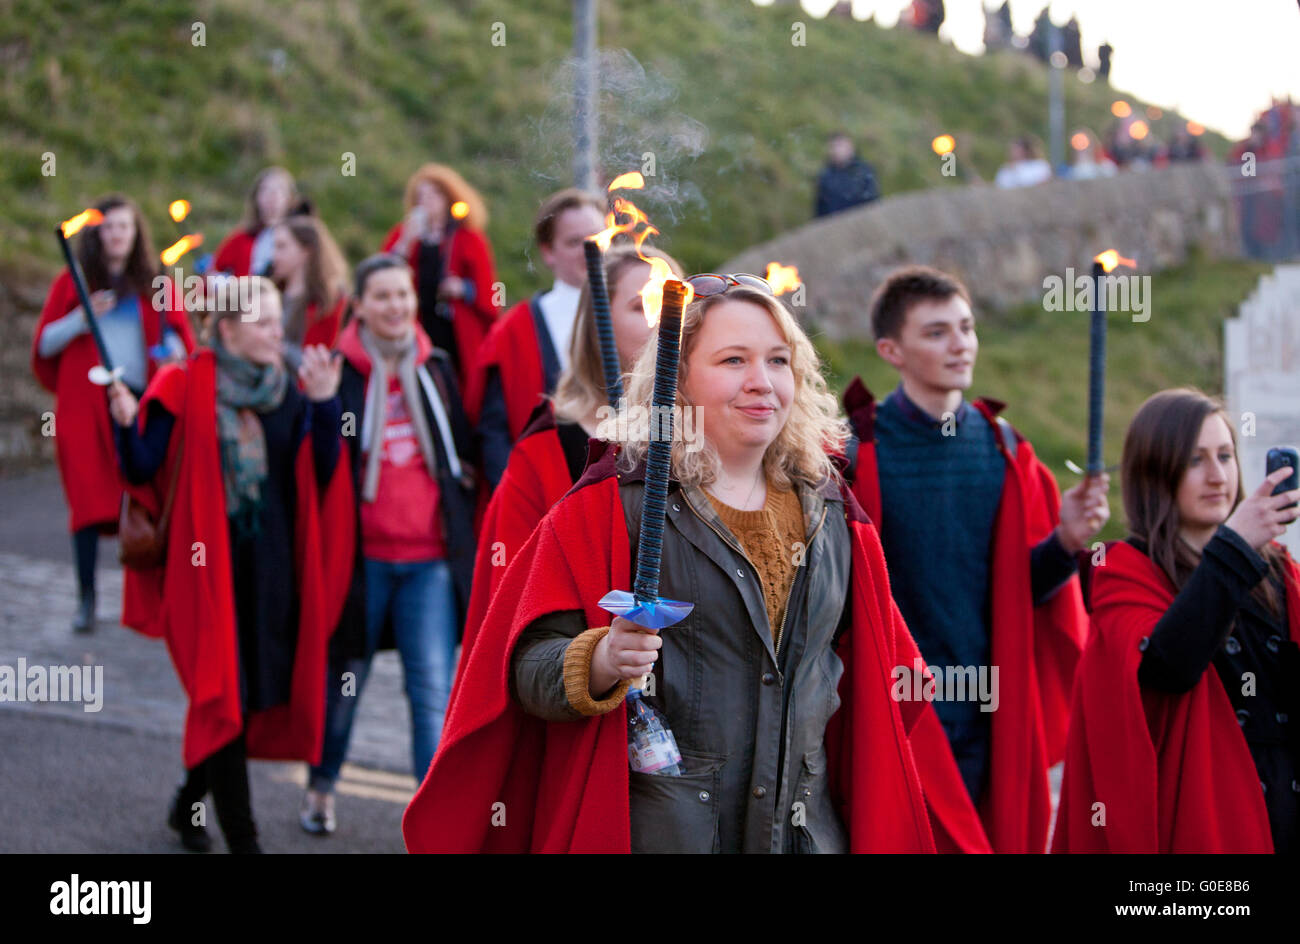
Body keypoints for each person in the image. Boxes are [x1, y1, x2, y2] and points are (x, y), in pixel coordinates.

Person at [404, 275, 954, 854]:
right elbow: (522, 670)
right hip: (665, 836)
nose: (761, 382)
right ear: (678, 379)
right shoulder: (609, 507)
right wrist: (601, 659)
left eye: (778, 360)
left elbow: (888, 683)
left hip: (804, 837)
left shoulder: (836, 513)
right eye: (732, 360)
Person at [843, 265, 1108, 852]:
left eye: (965, 328)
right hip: (895, 705)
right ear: (892, 349)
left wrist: (1066, 541)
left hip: (991, 706)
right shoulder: (852, 452)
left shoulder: (1005, 448)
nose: (960, 344)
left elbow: (1026, 594)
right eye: (937, 332)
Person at [111, 275, 353, 853]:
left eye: (278, 321)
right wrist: (124, 421)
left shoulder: (287, 389)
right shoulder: (183, 382)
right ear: (227, 329)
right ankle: (246, 842)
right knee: (223, 694)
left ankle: (185, 802)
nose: (278, 332)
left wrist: (325, 406)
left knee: (239, 701)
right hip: (205, 570)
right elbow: (142, 465)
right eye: (265, 322)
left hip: (270, 572)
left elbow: (319, 476)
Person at [1054, 389, 1300, 853]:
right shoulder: (1125, 570)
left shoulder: (1280, 572)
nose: (1217, 476)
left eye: (1225, 456)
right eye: (1194, 460)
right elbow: (1169, 667)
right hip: (1203, 823)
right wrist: (1234, 549)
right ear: (1156, 471)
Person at [301, 254, 477, 835]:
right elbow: (321, 470)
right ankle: (322, 790)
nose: (397, 306)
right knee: (344, 686)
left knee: (430, 692)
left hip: (427, 561)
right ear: (360, 306)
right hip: (361, 562)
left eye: (403, 294)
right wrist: (324, 406)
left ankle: (433, 821)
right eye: (382, 296)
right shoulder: (339, 372)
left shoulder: (438, 367)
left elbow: (463, 454)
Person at [459, 244, 682, 662]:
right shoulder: (547, 447)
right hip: (588, 680)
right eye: (643, 306)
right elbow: (514, 607)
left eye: (672, 305)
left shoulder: (706, 435)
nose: (663, 323)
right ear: (599, 326)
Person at [31, 193, 194, 633]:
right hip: (88, 409)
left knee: (145, 502)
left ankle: (152, 600)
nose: (116, 234)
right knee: (87, 503)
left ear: (136, 232)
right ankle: (87, 600)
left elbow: (180, 343)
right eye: (108, 227)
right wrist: (82, 319)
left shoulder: (156, 283)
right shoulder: (74, 283)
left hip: (140, 405)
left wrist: (175, 351)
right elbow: (45, 344)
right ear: (95, 233)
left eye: (124, 226)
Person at [464, 188, 605, 490]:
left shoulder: (645, 313)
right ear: (548, 252)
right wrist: (520, 497)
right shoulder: (515, 331)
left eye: (597, 237)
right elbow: (494, 432)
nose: (590, 249)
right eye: (574, 242)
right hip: (548, 493)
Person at [381, 164, 499, 390]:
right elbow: (382, 273)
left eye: (434, 194)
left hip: (454, 328)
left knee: (459, 385)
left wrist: (463, 288)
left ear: (448, 198)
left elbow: (489, 292)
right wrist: (405, 242)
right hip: (415, 322)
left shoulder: (468, 237)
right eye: (421, 195)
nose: (427, 200)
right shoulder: (404, 234)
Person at [270, 214, 350, 368]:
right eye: (274, 247)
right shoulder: (272, 292)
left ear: (306, 251)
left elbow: (317, 361)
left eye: (281, 247)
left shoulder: (328, 301)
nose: (274, 255)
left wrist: (277, 348)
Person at [214, 166, 301, 277]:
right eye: (265, 190)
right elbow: (212, 276)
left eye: (280, 190)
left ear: (290, 198)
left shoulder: (301, 240)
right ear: (256, 197)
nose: (272, 197)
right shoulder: (240, 239)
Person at [814, 132, 880, 218]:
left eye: (840, 145)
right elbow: (820, 210)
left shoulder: (864, 170)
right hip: (835, 225)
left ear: (850, 147)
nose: (837, 150)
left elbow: (873, 200)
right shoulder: (825, 176)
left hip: (862, 221)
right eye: (833, 146)